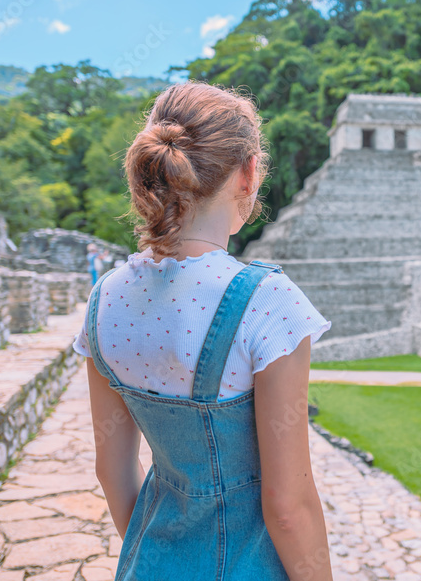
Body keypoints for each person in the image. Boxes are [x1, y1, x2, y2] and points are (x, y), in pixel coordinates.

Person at [71, 81, 334, 580]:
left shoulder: (105, 298)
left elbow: (112, 472)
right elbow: (288, 506)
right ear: (249, 171)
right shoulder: (267, 303)